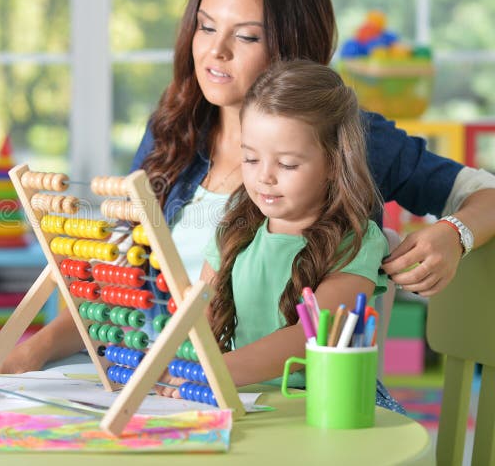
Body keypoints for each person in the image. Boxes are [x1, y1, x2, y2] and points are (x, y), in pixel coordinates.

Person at [0, 0, 495, 384]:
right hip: (165, 385)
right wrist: (28, 356)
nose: (214, 52)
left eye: (246, 36)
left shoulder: (349, 134)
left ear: (292, 47)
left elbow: (485, 194)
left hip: (280, 396)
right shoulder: (171, 131)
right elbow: (123, 287)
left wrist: (456, 234)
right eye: (205, 27)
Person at [158, 59, 389, 397]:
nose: (264, 176)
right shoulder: (234, 231)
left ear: (334, 163)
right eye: (251, 159)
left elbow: (310, 338)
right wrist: (170, 360)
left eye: (287, 163)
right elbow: (200, 316)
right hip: (242, 400)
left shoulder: (357, 242)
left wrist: (214, 372)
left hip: (320, 406)